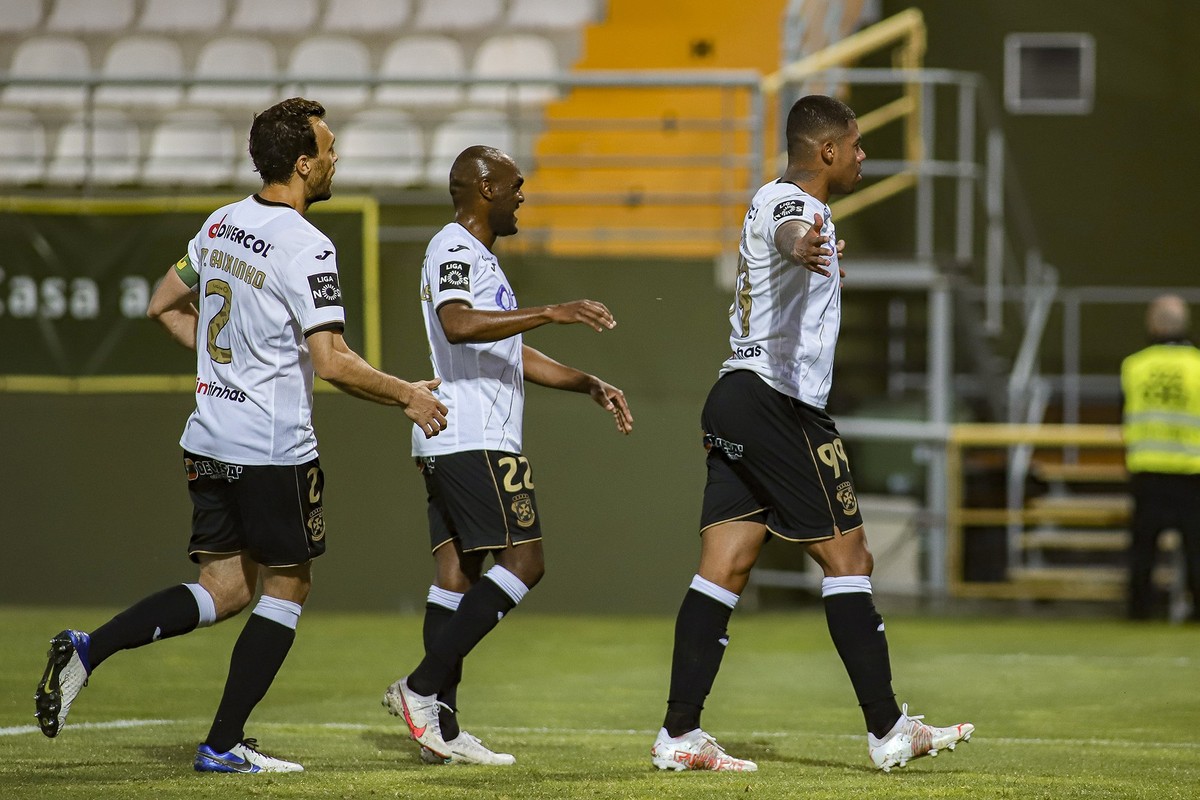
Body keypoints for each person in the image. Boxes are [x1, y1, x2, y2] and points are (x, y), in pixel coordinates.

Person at [34, 97, 448, 774]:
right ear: (305, 164)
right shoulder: (307, 244)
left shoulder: (222, 225)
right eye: (330, 146)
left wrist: (220, 363)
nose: (337, 156)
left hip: (209, 438)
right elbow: (331, 360)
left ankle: (89, 648)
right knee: (288, 586)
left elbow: (160, 303)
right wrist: (407, 395)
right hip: (270, 448)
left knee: (225, 589)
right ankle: (223, 743)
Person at [649, 95, 974, 774]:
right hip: (778, 403)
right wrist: (808, 245)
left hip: (736, 396)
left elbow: (789, 246)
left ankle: (680, 733)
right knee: (850, 559)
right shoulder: (794, 205)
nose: (863, 155)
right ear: (825, 150)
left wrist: (815, 256)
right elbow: (791, 230)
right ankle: (888, 730)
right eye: (855, 145)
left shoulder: (777, 201)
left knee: (726, 566)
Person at [381, 145, 634, 765]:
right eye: (517, 185)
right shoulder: (454, 248)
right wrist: (551, 310)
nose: (524, 196)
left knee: (456, 577)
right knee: (526, 563)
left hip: (452, 436)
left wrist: (586, 383)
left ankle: (439, 731)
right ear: (485, 187)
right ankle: (420, 689)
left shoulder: (481, 260)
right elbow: (458, 324)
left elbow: (507, 352)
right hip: (474, 437)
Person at [1120, 294, 1200, 622]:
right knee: (1196, 548)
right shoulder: (1197, 366)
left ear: (1152, 324)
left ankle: (1139, 610)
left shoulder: (1135, 366)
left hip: (1147, 468)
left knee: (1143, 548)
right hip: (1192, 469)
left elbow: (1123, 413)